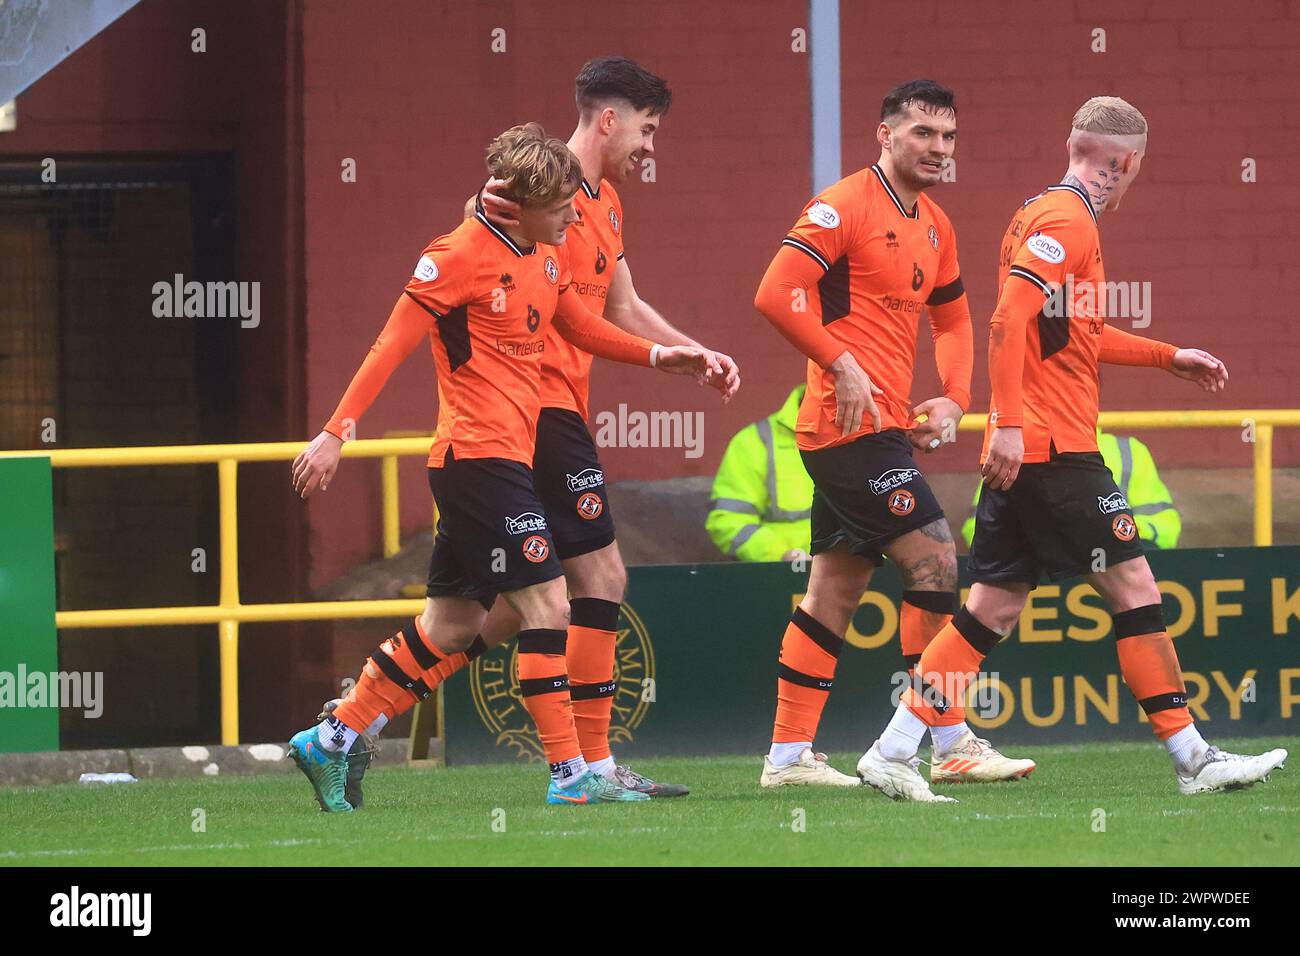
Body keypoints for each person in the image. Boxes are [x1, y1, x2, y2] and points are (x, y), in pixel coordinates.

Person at [313, 57, 741, 806]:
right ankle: (584, 771)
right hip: (518, 429)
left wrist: (678, 354)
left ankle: (344, 728)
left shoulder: (586, 211)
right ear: (608, 119)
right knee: (583, 587)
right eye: (647, 129)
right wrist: (337, 431)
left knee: (472, 618)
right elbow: (450, 279)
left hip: (529, 428)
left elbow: (603, 306)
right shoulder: (513, 211)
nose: (651, 148)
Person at [857, 96, 1286, 802]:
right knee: (1136, 588)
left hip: (1036, 450)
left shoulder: (1042, 211)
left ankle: (892, 747)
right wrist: (1011, 422)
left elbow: (1072, 332)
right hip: (1054, 452)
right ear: (1126, 163)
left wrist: (1164, 355)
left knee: (992, 606)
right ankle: (1194, 758)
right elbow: (1008, 317)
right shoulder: (1066, 219)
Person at [752, 79, 1034, 789]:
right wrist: (838, 361)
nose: (938, 149)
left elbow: (952, 319)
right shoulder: (841, 205)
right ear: (884, 134)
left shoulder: (936, 223)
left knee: (833, 593)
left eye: (948, 138)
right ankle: (944, 739)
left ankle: (787, 760)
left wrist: (954, 397)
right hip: (845, 429)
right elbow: (773, 293)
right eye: (922, 135)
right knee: (938, 560)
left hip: (884, 429)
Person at [961, 427, 1181, 549]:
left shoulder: (1128, 451)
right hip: (1038, 579)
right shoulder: (1011, 453)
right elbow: (977, 530)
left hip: (1119, 566)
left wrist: (1109, 533)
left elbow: (1163, 526)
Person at [706, 384, 812, 562]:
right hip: (781, 578)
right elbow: (729, 522)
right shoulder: (753, 442)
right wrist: (782, 555)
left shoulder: (869, 436)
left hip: (864, 576)